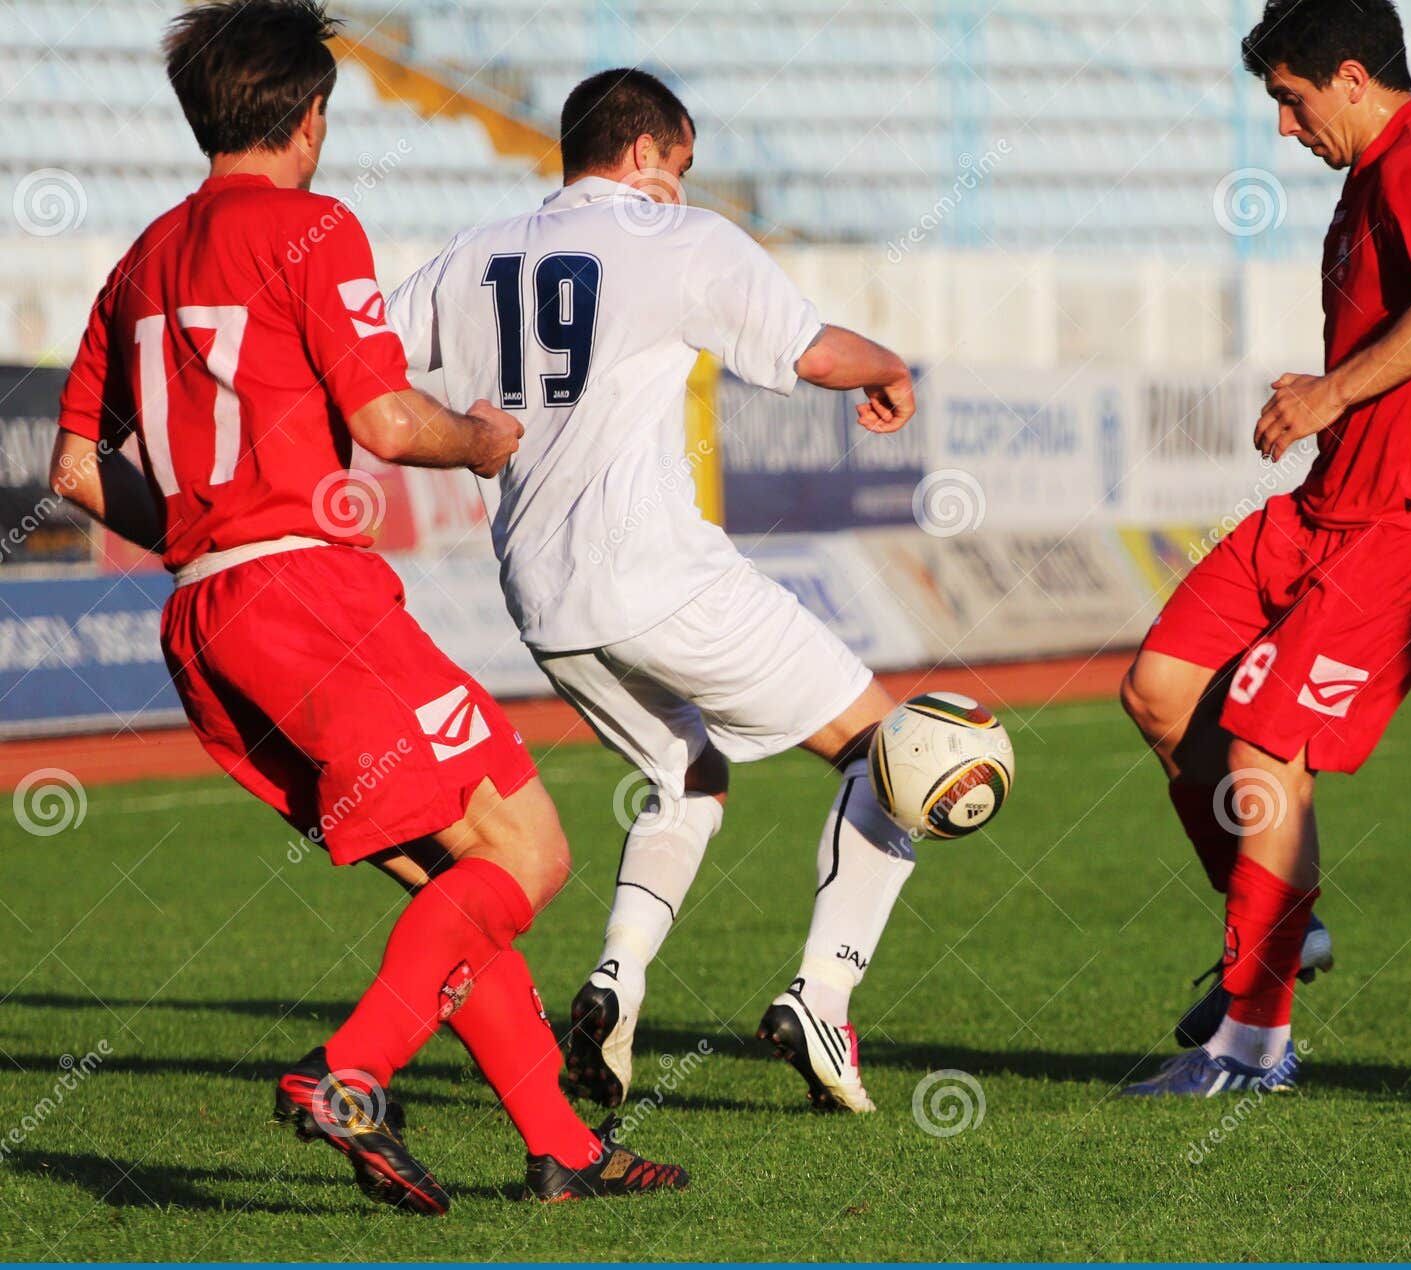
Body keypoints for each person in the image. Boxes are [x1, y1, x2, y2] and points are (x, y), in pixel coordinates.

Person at [49, 0, 687, 1206]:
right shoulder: (311, 226)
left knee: (456, 889)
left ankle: (560, 1146)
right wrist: (481, 438)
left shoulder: (137, 262)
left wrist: (194, 526)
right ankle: (345, 1073)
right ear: (310, 115)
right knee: (528, 851)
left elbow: (76, 469)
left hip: (203, 621)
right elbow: (390, 421)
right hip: (305, 592)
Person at [387, 68, 919, 1114]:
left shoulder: (476, 251)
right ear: (643, 154)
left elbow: (360, 367)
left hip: (543, 600)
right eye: (677, 163)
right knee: (897, 752)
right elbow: (811, 353)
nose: (679, 184)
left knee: (691, 778)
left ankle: (615, 981)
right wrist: (889, 364)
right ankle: (824, 994)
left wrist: (457, 441)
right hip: (657, 575)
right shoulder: (679, 238)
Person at [1119, 0, 1411, 1096]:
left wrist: (1333, 396)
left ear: (1349, 76)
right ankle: (1281, 937)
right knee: (1161, 692)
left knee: (1261, 753)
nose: (1286, 130)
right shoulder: (1370, 178)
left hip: (1400, 526)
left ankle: (1251, 1044)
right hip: (1324, 507)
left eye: (1291, 102)